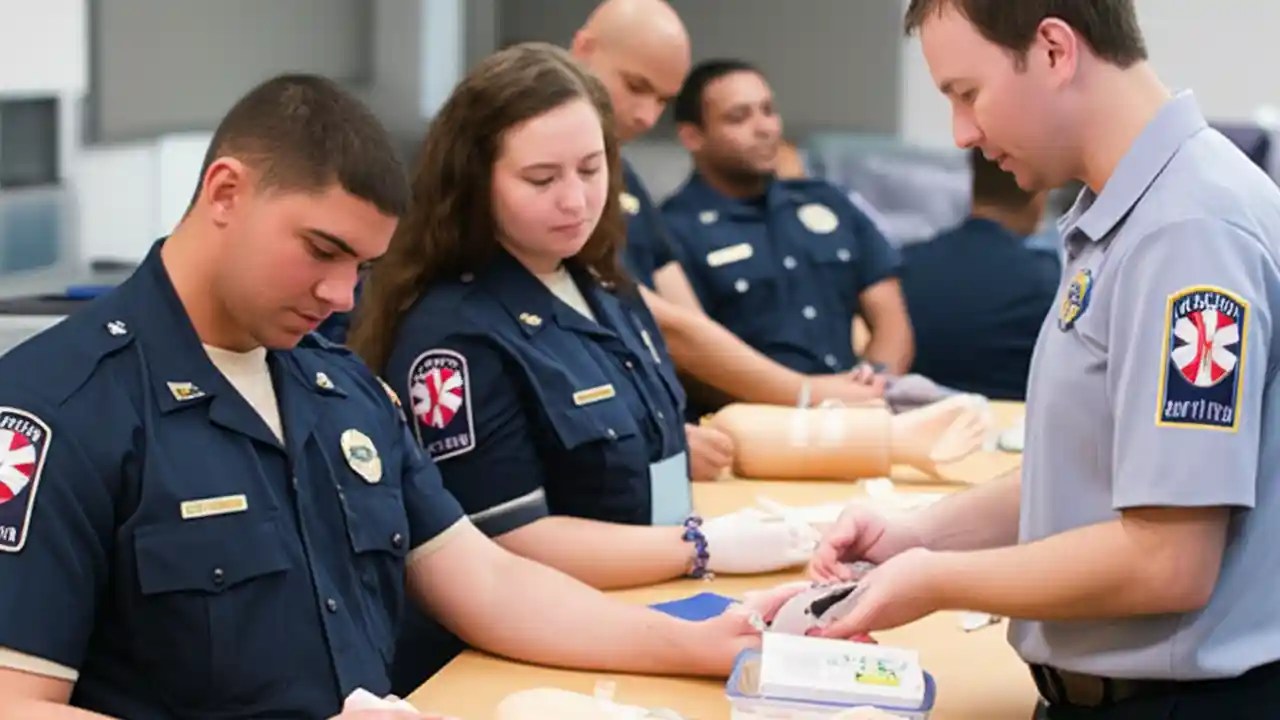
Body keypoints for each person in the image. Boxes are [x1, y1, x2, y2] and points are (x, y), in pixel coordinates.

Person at [0, 73, 765, 720]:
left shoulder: (340, 391)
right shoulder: (61, 408)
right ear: (225, 192)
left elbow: (489, 583)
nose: (339, 297)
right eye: (322, 251)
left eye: (362, 267)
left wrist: (697, 642)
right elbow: (16, 701)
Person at [810, 1, 1280, 717]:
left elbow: (1167, 562)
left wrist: (938, 581)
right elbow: (1100, 470)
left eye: (968, 94)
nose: (963, 133)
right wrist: (917, 536)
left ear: (1056, 50)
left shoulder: (1188, 233)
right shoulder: (1130, 214)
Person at [349, 42, 817, 695]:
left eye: (592, 169)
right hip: (541, 649)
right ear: (476, 182)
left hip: (660, 604)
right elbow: (508, 544)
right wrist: (703, 544)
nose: (575, 199)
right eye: (542, 180)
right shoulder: (452, 334)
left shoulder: (603, 285)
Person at [566, 0, 886, 418]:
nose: (646, 117)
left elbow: (689, 321)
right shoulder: (574, 178)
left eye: (662, 99)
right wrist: (803, 393)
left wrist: (862, 381)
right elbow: (660, 322)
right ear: (584, 49)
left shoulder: (625, 176)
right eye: (636, 86)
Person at [662, 59, 916, 383]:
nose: (765, 128)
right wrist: (807, 400)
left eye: (768, 111)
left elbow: (891, 321)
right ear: (692, 136)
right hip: (751, 419)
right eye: (739, 117)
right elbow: (692, 358)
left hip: (854, 410)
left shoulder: (829, 201)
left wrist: (876, 382)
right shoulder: (672, 230)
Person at [900, 148, 1060, 400]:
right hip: (1016, 430)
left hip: (919, 427)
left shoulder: (903, 266)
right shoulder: (1050, 281)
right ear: (1041, 196)